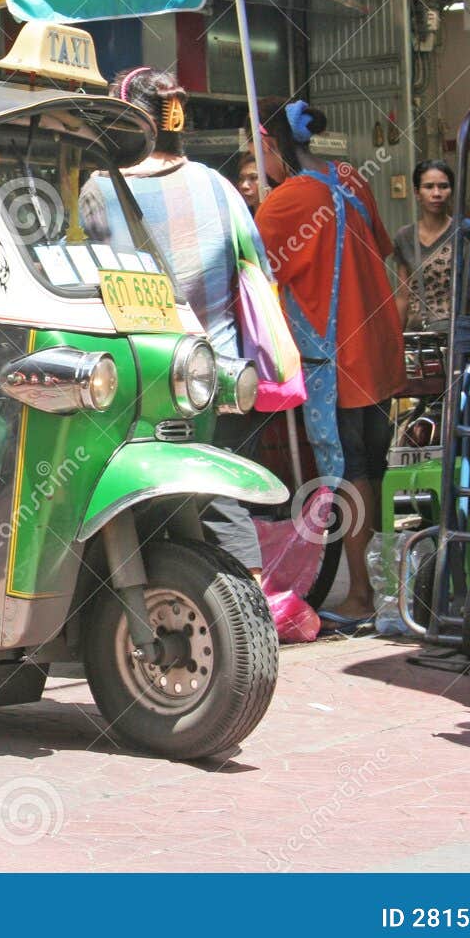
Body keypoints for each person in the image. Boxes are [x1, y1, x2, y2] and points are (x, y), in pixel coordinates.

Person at [92, 68, 279, 578]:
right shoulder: (219, 187)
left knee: (136, 507)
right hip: (222, 379)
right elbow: (259, 271)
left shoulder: (96, 190)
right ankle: (251, 616)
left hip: (136, 384)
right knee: (222, 502)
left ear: (127, 121)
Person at [257, 97, 404, 625]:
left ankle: (362, 593)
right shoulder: (349, 176)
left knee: (350, 470)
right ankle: (386, 592)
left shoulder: (285, 203)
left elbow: (250, 277)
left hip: (334, 358)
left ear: (270, 144)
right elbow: (382, 251)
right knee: (375, 466)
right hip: (379, 350)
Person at [393, 159, 470, 330]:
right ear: (416, 192)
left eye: (443, 186)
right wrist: (394, 344)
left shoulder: (465, 234)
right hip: (418, 340)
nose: (436, 193)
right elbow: (402, 296)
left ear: (451, 191)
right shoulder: (405, 237)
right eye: (429, 187)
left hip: (456, 338)